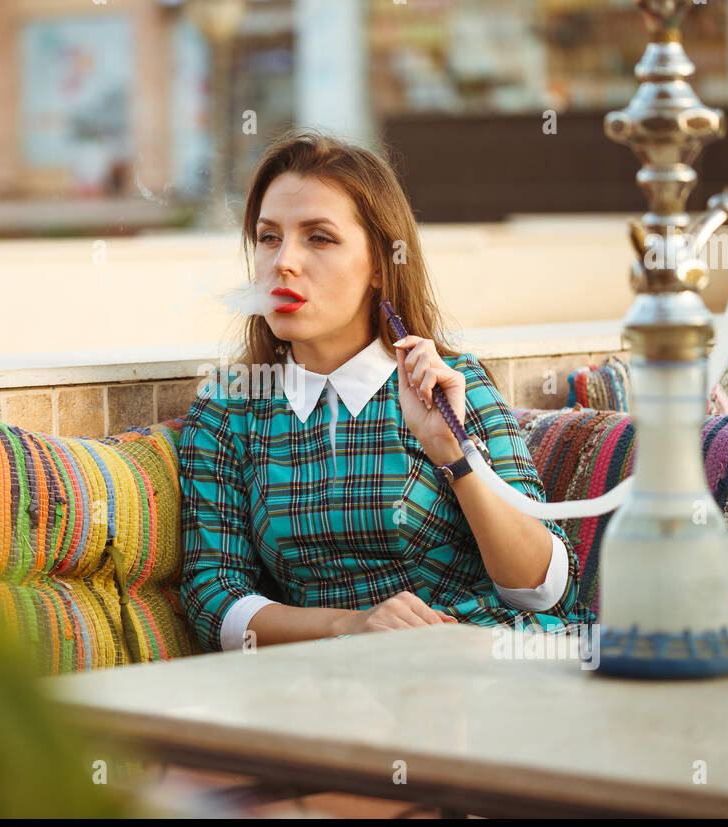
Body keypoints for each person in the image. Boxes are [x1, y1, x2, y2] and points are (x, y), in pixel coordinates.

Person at [178, 127, 594, 653]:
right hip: (333, 683)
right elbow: (214, 599)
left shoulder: (447, 382)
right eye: (268, 237)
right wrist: (350, 626)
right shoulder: (230, 407)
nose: (284, 261)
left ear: (379, 263)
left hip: (488, 656)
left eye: (319, 238)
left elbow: (547, 591)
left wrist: (453, 452)